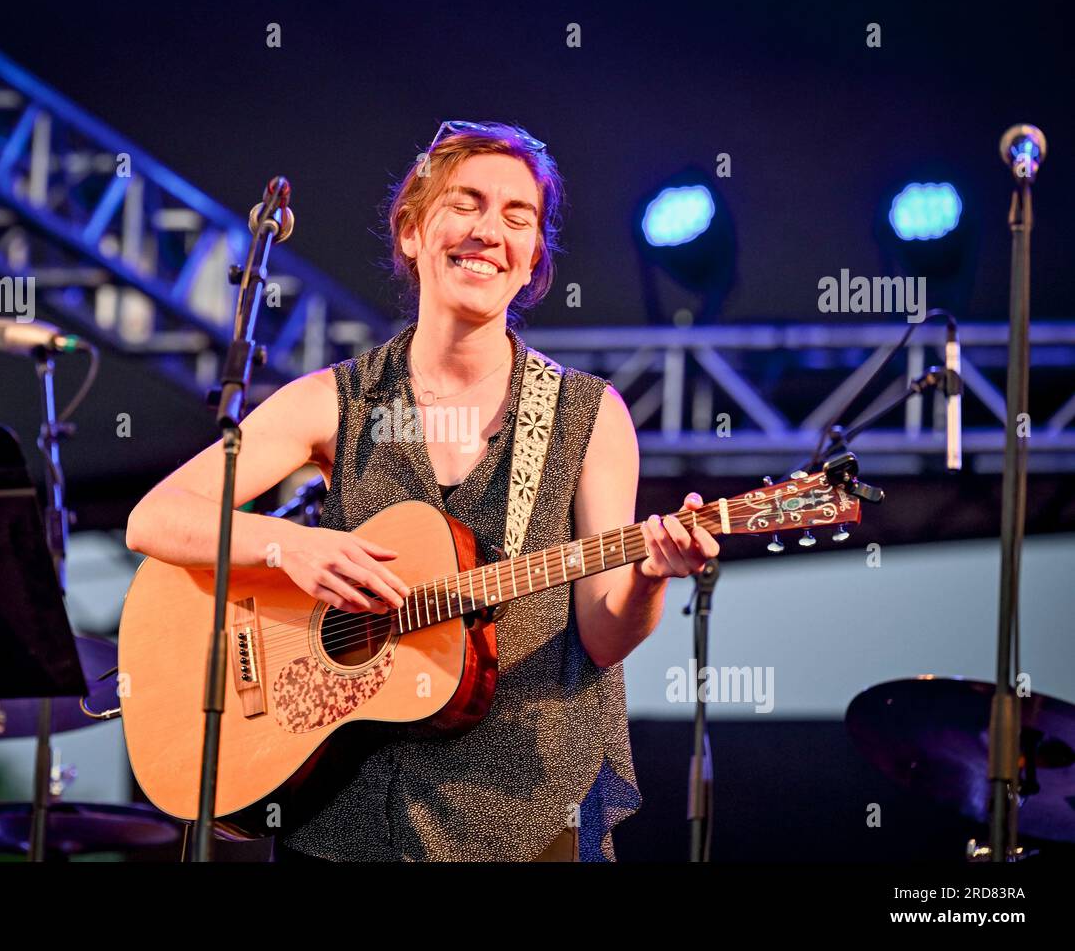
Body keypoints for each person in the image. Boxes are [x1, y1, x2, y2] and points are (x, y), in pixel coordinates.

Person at [125, 120, 719, 861]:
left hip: (523, 809)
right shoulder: (335, 401)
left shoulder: (587, 417)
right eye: (465, 203)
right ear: (411, 231)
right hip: (344, 812)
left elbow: (602, 634)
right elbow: (156, 517)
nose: (487, 231)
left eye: (516, 216)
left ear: (534, 256)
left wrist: (651, 580)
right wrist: (289, 546)